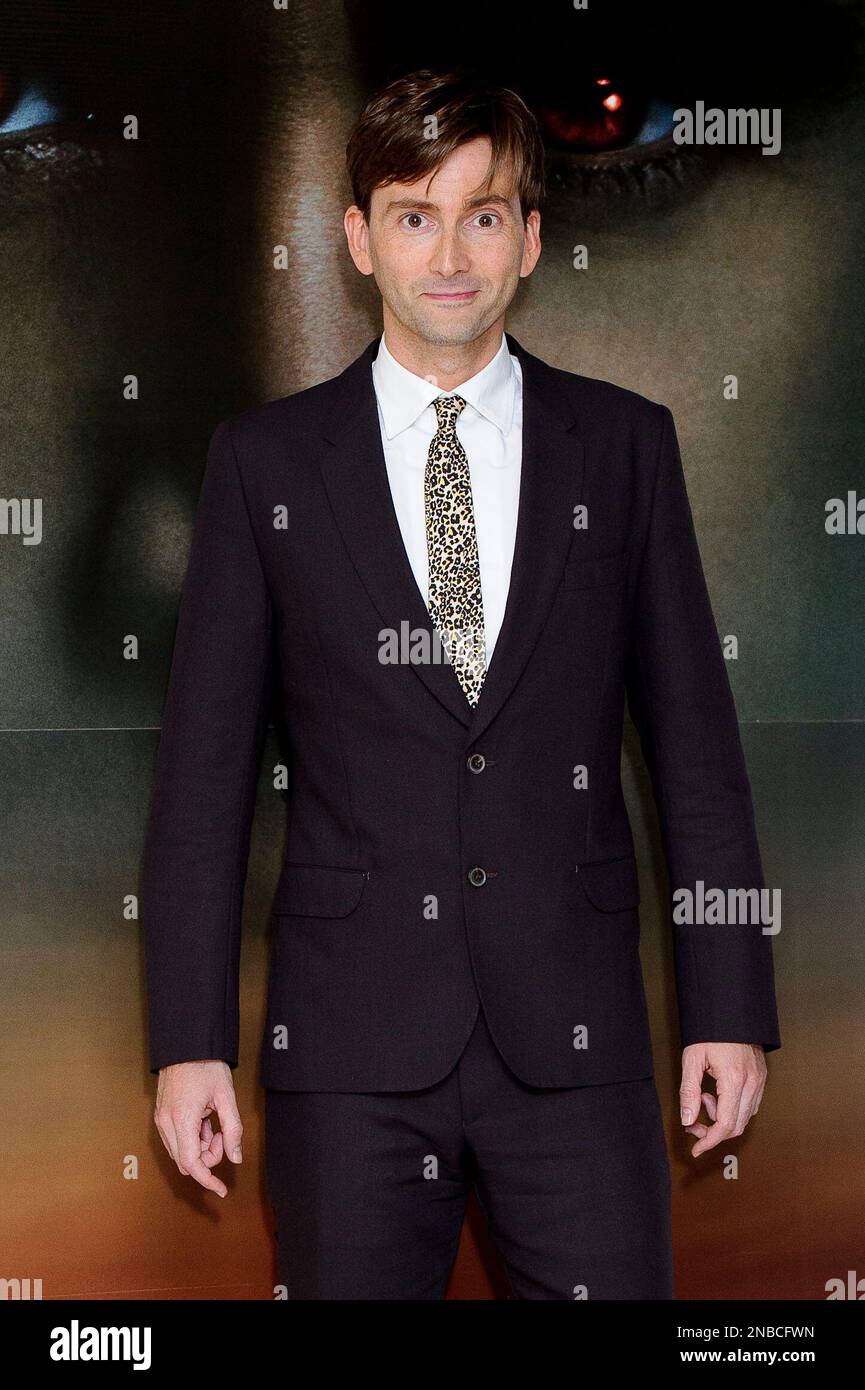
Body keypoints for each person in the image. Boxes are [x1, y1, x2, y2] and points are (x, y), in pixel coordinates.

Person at [142, 68, 780, 1300]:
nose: (449, 252)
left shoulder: (626, 445)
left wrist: (730, 1003)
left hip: (578, 1053)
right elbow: (201, 786)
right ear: (357, 240)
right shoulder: (263, 462)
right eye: (412, 214)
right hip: (345, 1059)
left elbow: (697, 745)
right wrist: (188, 1045)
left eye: (481, 214)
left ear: (531, 239)